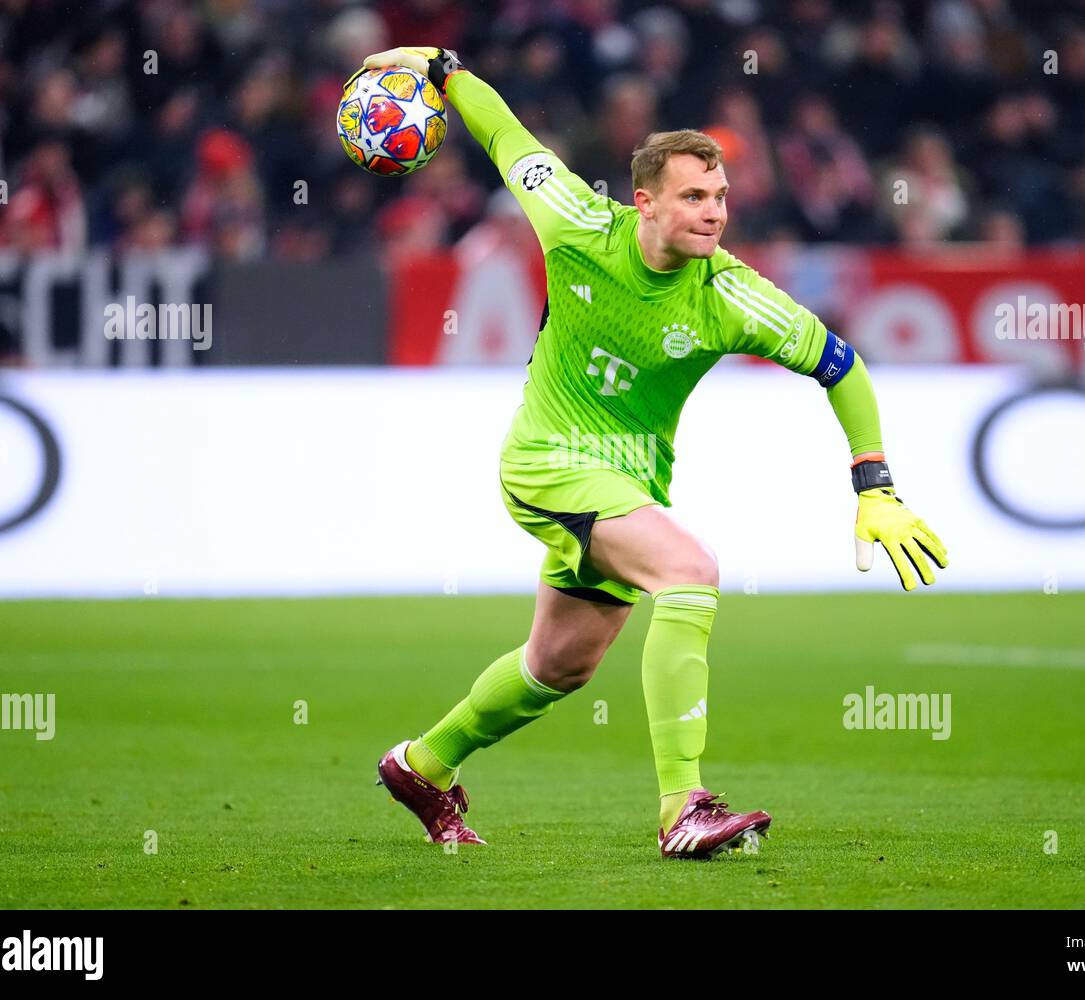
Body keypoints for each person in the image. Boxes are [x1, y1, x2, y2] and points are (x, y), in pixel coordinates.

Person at [356, 47, 949, 859]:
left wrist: (873, 483)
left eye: (722, 197)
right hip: (547, 461)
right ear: (644, 202)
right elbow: (505, 136)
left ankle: (421, 764)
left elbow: (842, 368)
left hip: (623, 481)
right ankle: (684, 808)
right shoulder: (576, 223)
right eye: (694, 197)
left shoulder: (730, 295)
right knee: (690, 571)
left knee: (557, 666)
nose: (714, 212)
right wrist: (444, 67)